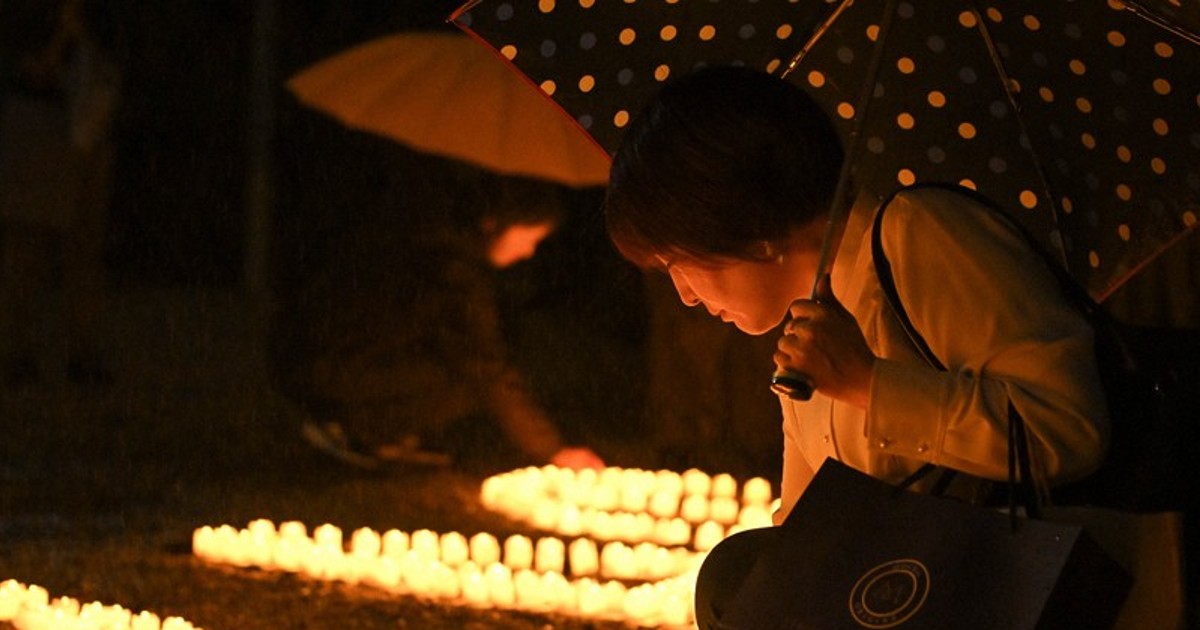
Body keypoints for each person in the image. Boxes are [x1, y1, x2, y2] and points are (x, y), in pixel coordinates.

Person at [603, 65, 1109, 627]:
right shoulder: (811, 323)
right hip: (900, 597)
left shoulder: (917, 237)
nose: (686, 296)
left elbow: (1067, 428)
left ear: (749, 226)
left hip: (991, 589)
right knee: (737, 577)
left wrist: (869, 384)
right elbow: (806, 536)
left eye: (680, 263)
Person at [269, 155, 605, 472]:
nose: (529, 251)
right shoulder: (453, 272)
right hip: (327, 367)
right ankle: (348, 427)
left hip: (308, 357)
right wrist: (554, 450)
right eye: (530, 237)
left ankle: (366, 427)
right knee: (467, 379)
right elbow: (486, 367)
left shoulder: (434, 240)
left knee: (464, 364)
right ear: (495, 222)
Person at [0, 0, 122, 386]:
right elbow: (32, 71)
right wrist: (61, 39)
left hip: (88, 123)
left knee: (82, 248)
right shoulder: (28, 14)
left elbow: (114, 54)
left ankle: (82, 353)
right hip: (39, 123)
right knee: (28, 246)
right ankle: (14, 352)